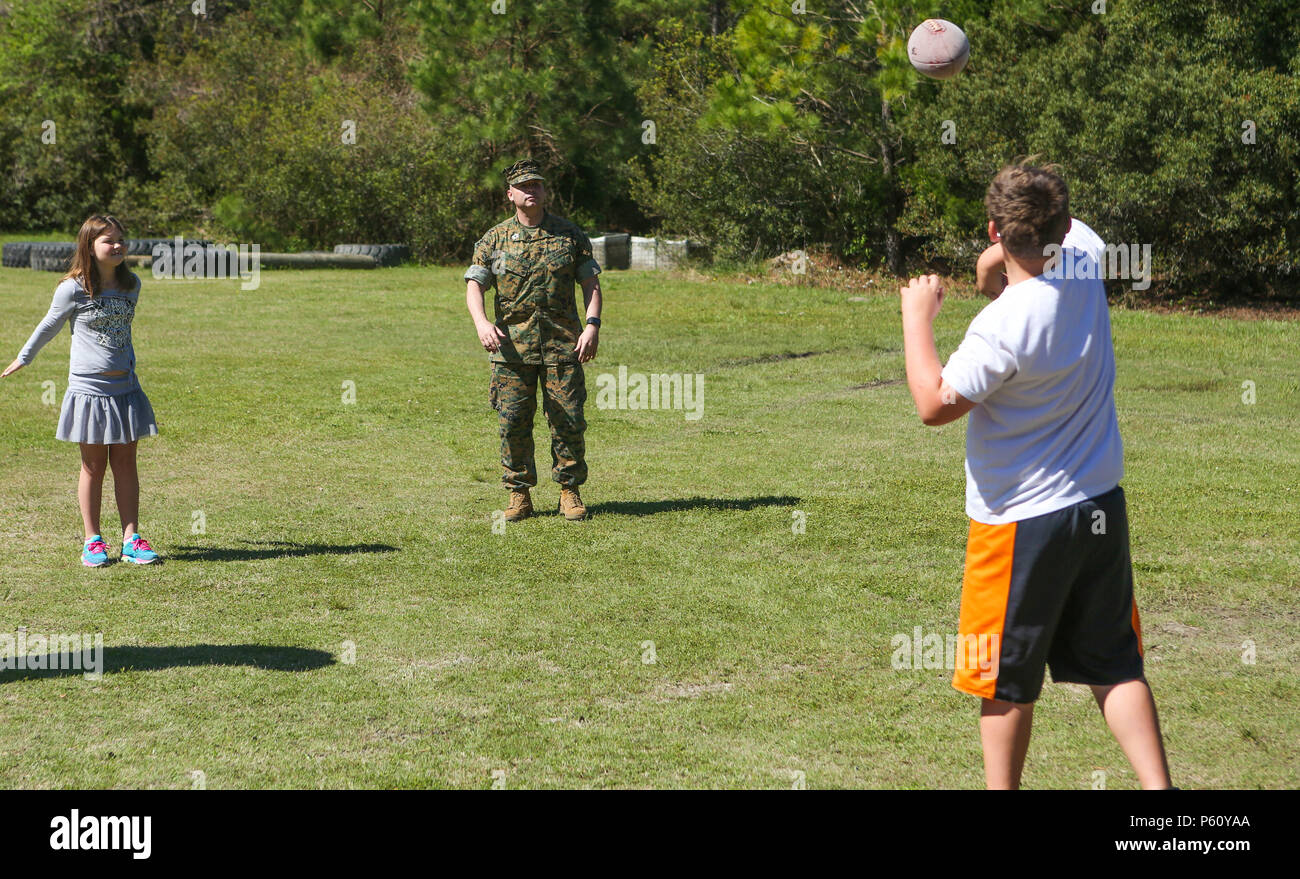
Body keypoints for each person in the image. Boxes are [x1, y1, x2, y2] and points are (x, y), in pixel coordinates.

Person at [899, 161, 1173, 789]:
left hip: (1019, 525)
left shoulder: (1001, 325)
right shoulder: (1083, 259)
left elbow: (934, 405)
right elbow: (1029, 251)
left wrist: (918, 317)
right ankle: (1164, 802)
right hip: (1099, 505)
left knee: (1003, 684)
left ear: (994, 228)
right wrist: (992, 267)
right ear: (1065, 224)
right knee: (1116, 664)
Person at [2, 215, 160, 566]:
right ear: (90, 246)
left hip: (125, 389)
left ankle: (132, 538)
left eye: (121, 239)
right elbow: (49, 324)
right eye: (109, 240)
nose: (117, 245)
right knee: (92, 466)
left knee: (126, 464)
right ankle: (93, 541)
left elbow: (124, 334)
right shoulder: (73, 287)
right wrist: (23, 358)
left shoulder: (131, 284)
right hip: (89, 390)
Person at [464, 159, 603, 521]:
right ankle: (519, 495)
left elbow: (590, 283)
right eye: (523, 186)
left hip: (563, 346)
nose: (531, 190)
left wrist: (592, 326)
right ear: (510, 194)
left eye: (537, 184)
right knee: (513, 422)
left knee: (568, 420)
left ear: (544, 191)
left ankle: (569, 492)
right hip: (510, 349)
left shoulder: (569, 235)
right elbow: (475, 284)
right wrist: (481, 323)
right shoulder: (495, 240)